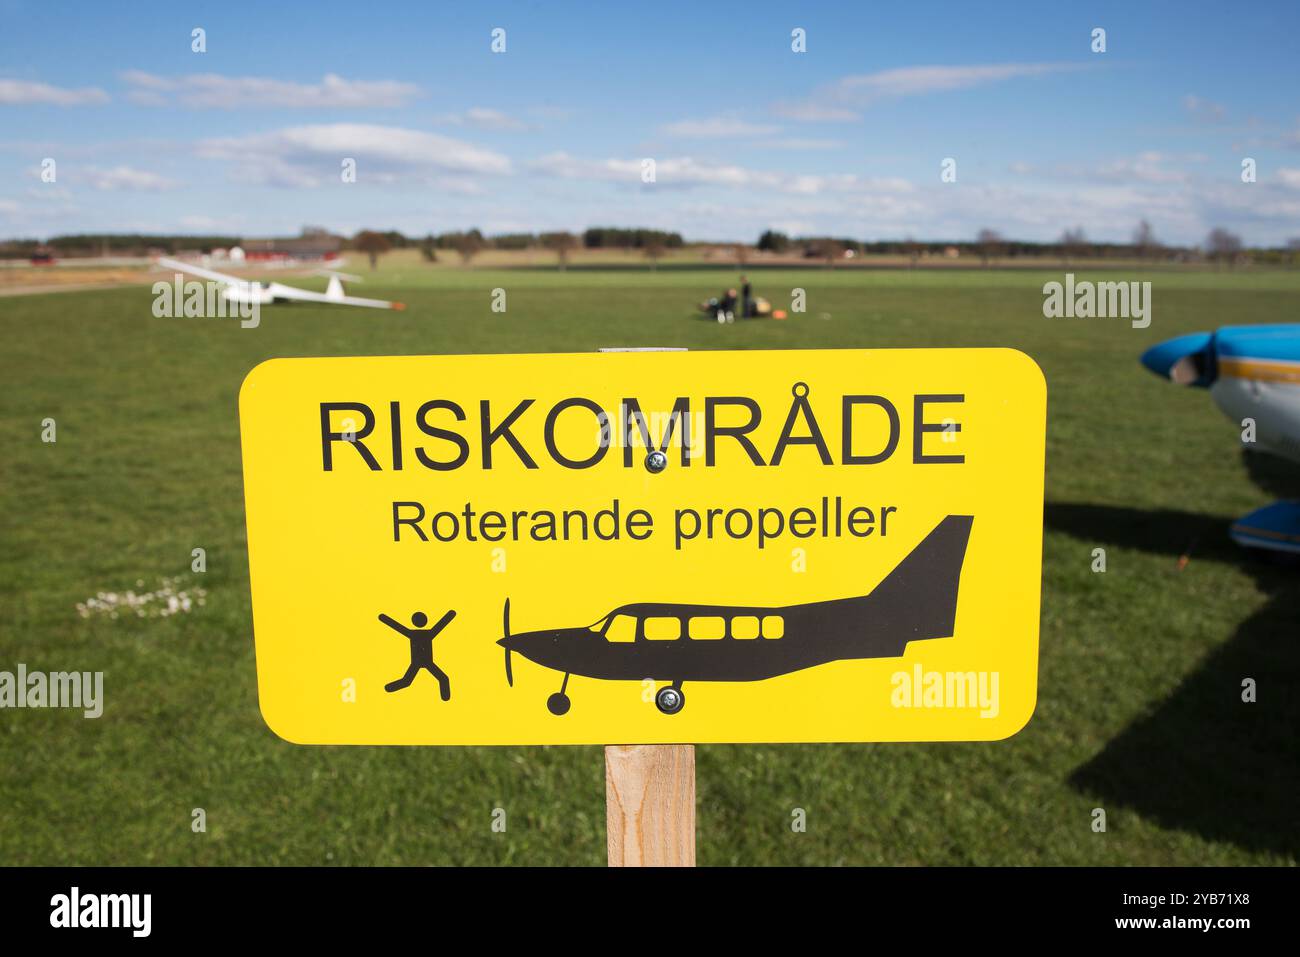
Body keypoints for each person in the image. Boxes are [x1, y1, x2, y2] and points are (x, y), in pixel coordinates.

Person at [378, 609, 456, 701]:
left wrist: (383, 618)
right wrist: (451, 615)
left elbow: (398, 627)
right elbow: (440, 625)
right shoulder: (427, 634)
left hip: (421, 662)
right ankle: (389, 688)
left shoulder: (415, 634)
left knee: (407, 681)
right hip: (423, 662)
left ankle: (389, 688)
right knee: (442, 678)